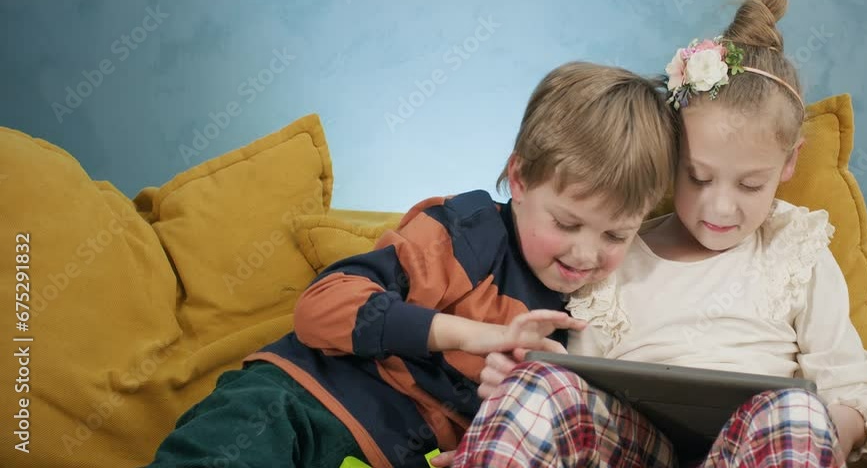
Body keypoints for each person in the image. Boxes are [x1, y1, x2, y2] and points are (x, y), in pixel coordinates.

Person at [142, 61, 677, 468]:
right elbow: (321, 308)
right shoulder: (467, 233)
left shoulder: (590, 311)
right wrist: (475, 335)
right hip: (305, 401)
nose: (585, 254)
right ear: (519, 180)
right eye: (565, 223)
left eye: (616, 234)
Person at [447, 0, 867, 468]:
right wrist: (524, 375)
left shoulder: (793, 248)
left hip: (758, 448)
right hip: (635, 450)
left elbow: (853, 389)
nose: (720, 207)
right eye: (697, 177)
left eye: (750, 185)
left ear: (789, 163)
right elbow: (579, 390)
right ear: (670, 156)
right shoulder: (614, 256)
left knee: (797, 411)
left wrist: (826, 436)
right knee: (539, 386)